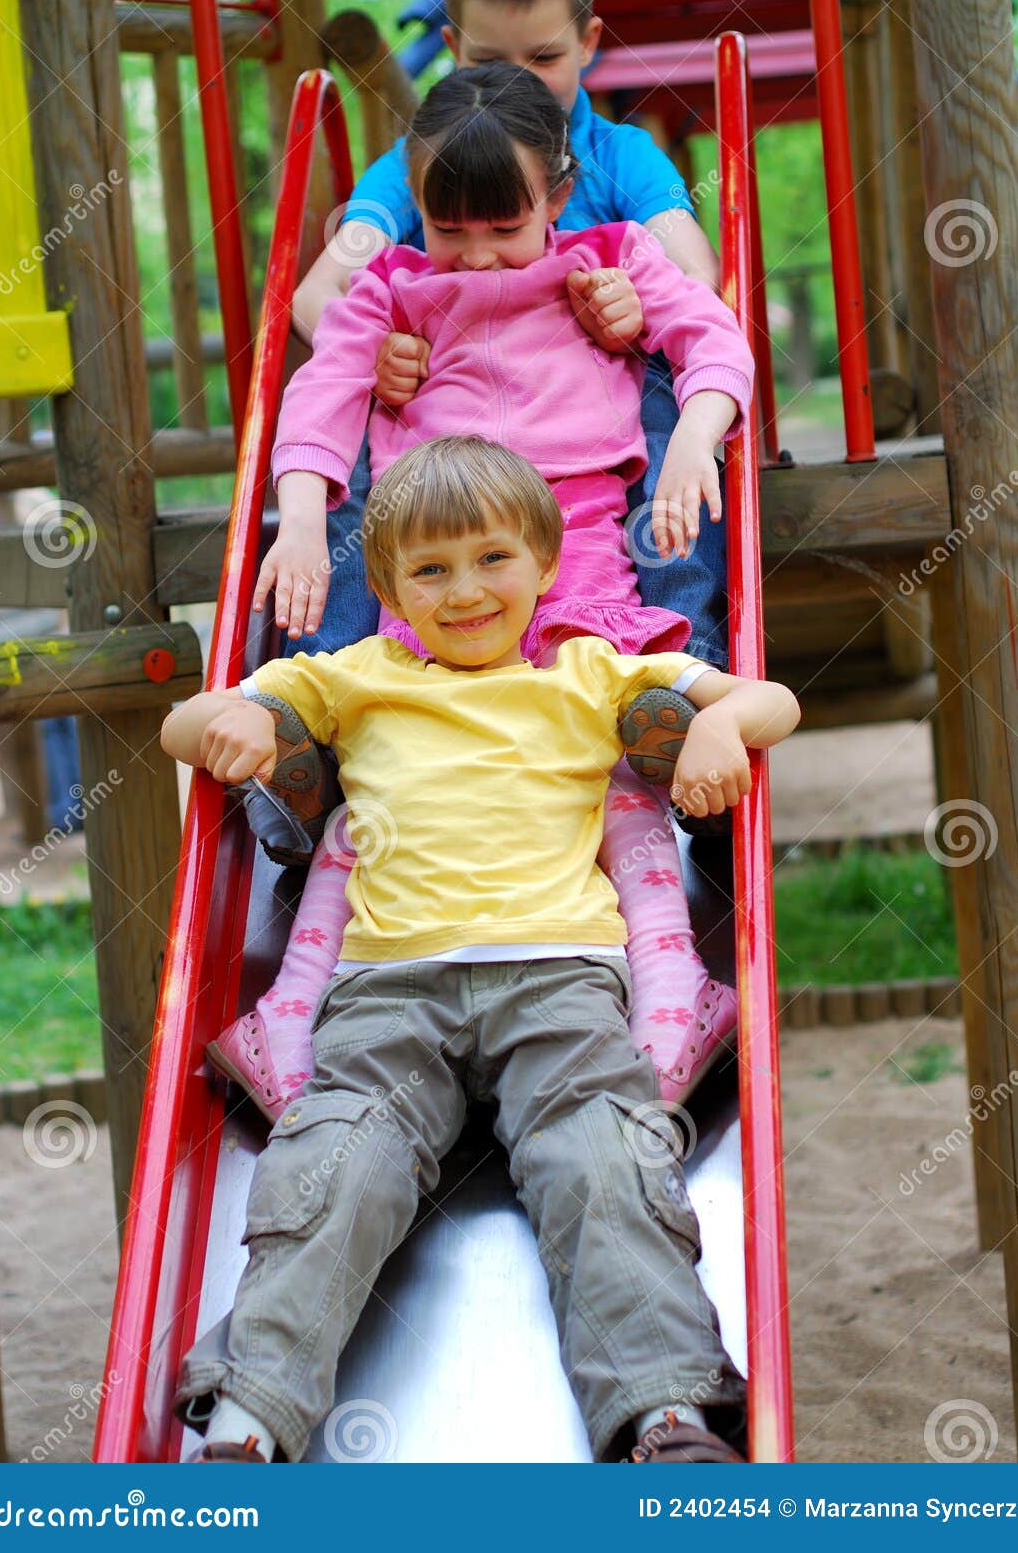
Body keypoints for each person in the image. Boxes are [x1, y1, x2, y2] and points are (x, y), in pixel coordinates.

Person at [163, 435, 801, 1465]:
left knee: (605, 1160)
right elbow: (186, 721)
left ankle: (665, 1416)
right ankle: (244, 1431)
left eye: (493, 558)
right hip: (387, 995)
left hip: (558, 986)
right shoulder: (352, 678)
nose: (464, 591)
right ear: (386, 591)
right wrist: (224, 723)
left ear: (546, 565)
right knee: (331, 1169)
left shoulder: (590, 673)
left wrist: (720, 729)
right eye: (430, 569)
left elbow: (770, 700)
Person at [208, 61, 755, 1120]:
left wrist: (695, 436)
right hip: (441, 578)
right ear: (417, 207)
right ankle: (285, 1015)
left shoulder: (607, 260)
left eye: (504, 228)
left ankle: (675, 986)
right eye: (447, 229)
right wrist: (304, 515)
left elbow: (710, 335)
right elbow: (321, 390)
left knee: (599, 759)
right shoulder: (394, 288)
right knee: (386, 776)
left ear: (557, 195)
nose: (476, 255)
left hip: (566, 565)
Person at [288, 0, 727, 669]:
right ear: (453, 48)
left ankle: (683, 654)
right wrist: (382, 350)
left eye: (543, 58)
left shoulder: (617, 156)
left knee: (669, 409)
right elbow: (318, 294)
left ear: (587, 42)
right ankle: (326, 666)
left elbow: (694, 275)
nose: (513, 83)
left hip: (592, 398)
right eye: (489, 60)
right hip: (451, 404)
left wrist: (631, 314)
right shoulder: (424, 164)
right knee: (349, 427)